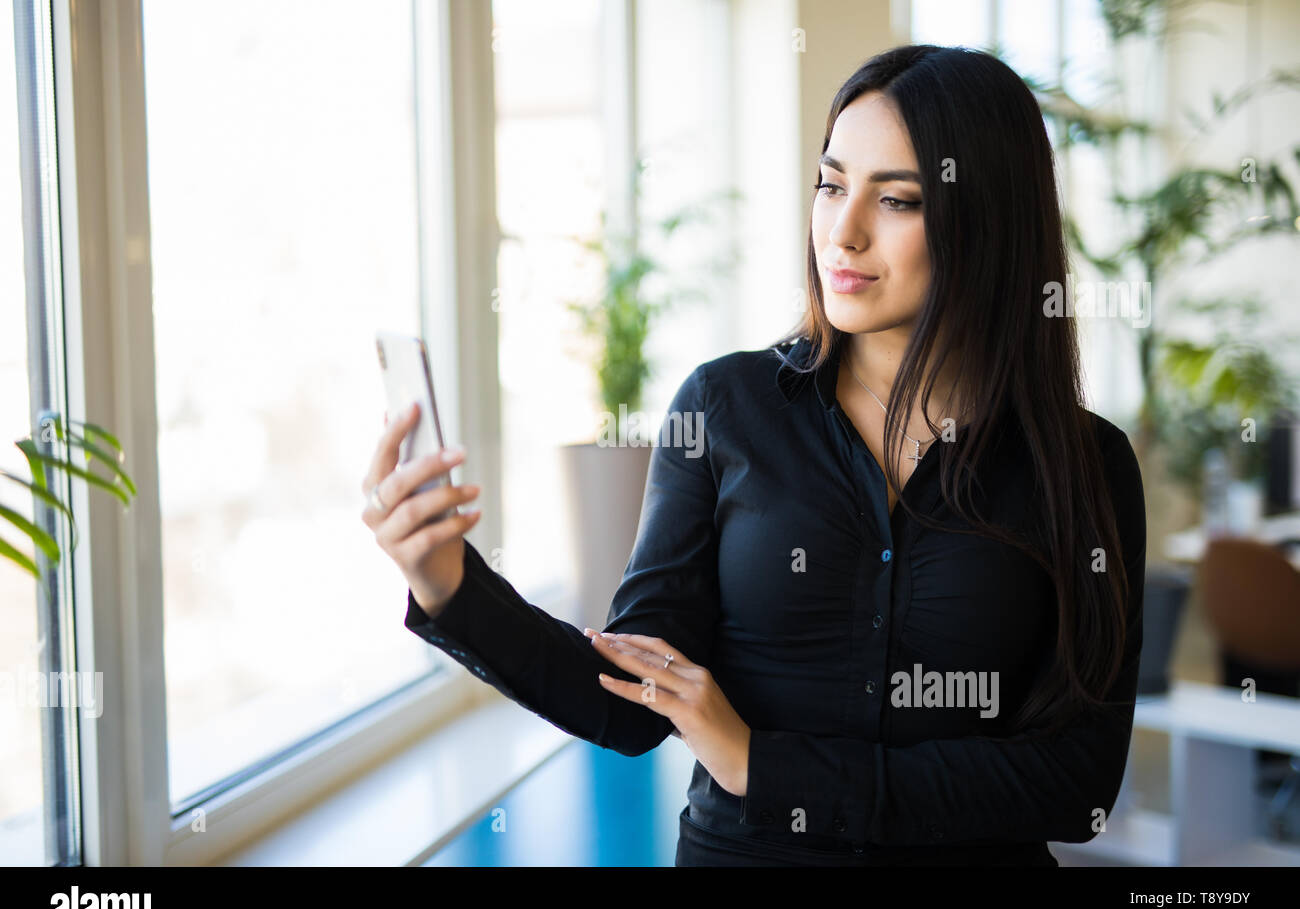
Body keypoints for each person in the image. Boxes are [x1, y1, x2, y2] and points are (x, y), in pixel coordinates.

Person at [359, 44, 1146, 866]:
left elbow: (1074, 784)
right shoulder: (724, 410)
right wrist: (448, 581)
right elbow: (634, 700)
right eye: (832, 185)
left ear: (987, 221)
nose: (842, 233)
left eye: (898, 201)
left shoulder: (1086, 466)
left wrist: (760, 765)